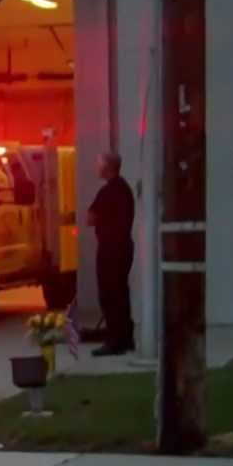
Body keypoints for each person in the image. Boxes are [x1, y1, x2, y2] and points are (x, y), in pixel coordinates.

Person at [87, 152, 135, 356]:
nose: (97, 167)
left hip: (110, 249)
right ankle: (125, 337)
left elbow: (91, 218)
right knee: (121, 292)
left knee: (109, 294)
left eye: (99, 163)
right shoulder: (125, 189)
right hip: (123, 246)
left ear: (108, 167)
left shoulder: (107, 192)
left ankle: (115, 341)